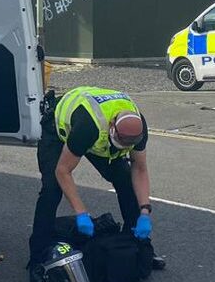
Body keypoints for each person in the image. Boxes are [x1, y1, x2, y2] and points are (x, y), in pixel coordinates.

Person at [27, 86, 153, 271]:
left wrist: (144, 212)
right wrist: (81, 213)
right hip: (58, 130)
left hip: (99, 137)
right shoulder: (88, 127)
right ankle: (39, 256)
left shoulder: (138, 127)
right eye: (119, 145)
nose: (123, 150)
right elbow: (63, 171)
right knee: (52, 189)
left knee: (126, 181)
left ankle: (138, 247)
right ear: (112, 127)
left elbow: (139, 169)